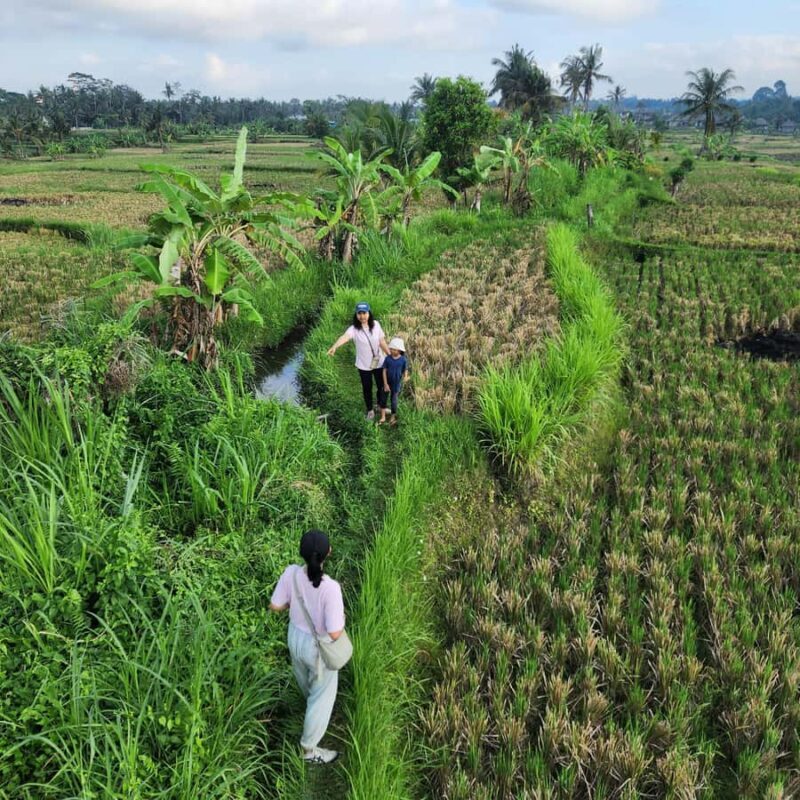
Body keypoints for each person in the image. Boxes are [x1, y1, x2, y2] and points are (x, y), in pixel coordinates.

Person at [269, 529, 346, 765]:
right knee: (321, 698)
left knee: (307, 684)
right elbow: (334, 632)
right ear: (328, 553)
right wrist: (342, 620)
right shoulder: (330, 588)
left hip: (295, 638)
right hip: (318, 648)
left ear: (302, 553)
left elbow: (275, 605)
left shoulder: (291, 574)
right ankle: (309, 750)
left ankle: (309, 711)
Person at [327, 302, 390, 420]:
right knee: (367, 387)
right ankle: (370, 410)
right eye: (359, 313)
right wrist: (335, 346)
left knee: (382, 386)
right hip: (364, 365)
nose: (362, 316)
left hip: (379, 362)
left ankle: (380, 405)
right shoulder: (354, 329)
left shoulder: (376, 325)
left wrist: (389, 355)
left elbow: (381, 341)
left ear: (369, 313)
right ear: (356, 315)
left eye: (364, 313)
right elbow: (344, 337)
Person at [380, 337, 409, 426]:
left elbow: (405, 370)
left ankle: (393, 417)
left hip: (396, 384)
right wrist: (385, 384)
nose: (392, 351)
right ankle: (383, 416)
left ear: (400, 350)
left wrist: (405, 377)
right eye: (391, 349)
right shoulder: (388, 359)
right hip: (387, 383)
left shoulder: (403, 360)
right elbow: (384, 370)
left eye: (394, 350)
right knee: (383, 399)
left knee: (394, 401)